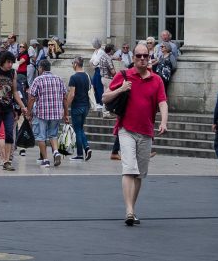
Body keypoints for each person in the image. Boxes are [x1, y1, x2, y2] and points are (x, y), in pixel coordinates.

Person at [103, 40, 169, 225]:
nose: (142, 59)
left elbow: (162, 102)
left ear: (149, 58)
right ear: (133, 58)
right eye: (138, 56)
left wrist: (163, 121)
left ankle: (132, 207)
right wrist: (121, 89)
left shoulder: (156, 80)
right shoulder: (124, 75)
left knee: (139, 173)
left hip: (146, 131)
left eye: (145, 56)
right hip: (126, 129)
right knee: (129, 168)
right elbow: (105, 97)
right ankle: (129, 210)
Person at [0, 52, 24, 171]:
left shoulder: (13, 73)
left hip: (8, 108)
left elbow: (15, 92)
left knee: (9, 133)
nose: (10, 65)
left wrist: (23, 106)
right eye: (8, 62)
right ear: (3, 61)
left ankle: (7, 161)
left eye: (12, 62)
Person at [27, 57, 67, 169]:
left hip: (42, 113)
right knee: (53, 135)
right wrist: (66, 113)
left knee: (41, 136)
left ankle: (45, 160)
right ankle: (56, 152)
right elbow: (65, 98)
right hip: (56, 112)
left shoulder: (38, 80)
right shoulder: (59, 79)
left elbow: (31, 98)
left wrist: (28, 112)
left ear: (41, 68)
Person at [65, 57, 94, 161]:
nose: (72, 64)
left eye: (73, 63)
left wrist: (66, 106)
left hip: (77, 107)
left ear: (76, 64)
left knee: (77, 130)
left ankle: (80, 154)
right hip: (86, 106)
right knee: (80, 129)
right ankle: (86, 148)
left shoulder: (74, 77)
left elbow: (71, 94)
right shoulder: (88, 76)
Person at [89, 38, 111, 110]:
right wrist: (92, 64)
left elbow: (95, 62)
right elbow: (91, 61)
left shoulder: (101, 51)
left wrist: (93, 64)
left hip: (99, 70)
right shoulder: (95, 51)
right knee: (94, 85)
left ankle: (101, 103)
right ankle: (97, 102)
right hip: (96, 70)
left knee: (99, 86)